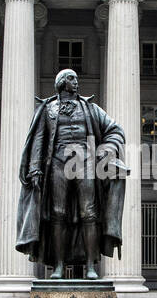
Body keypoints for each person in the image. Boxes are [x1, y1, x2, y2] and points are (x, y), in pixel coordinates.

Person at [15, 69, 127, 279]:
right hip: (57, 161)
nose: (76, 82)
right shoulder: (48, 109)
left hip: (85, 160)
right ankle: (58, 266)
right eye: (72, 79)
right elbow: (39, 140)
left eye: (76, 79)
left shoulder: (90, 108)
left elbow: (115, 130)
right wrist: (34, 168)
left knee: (89, 213)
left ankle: (90, 267)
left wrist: (108, 150)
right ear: (61, 82)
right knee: (58, 213)